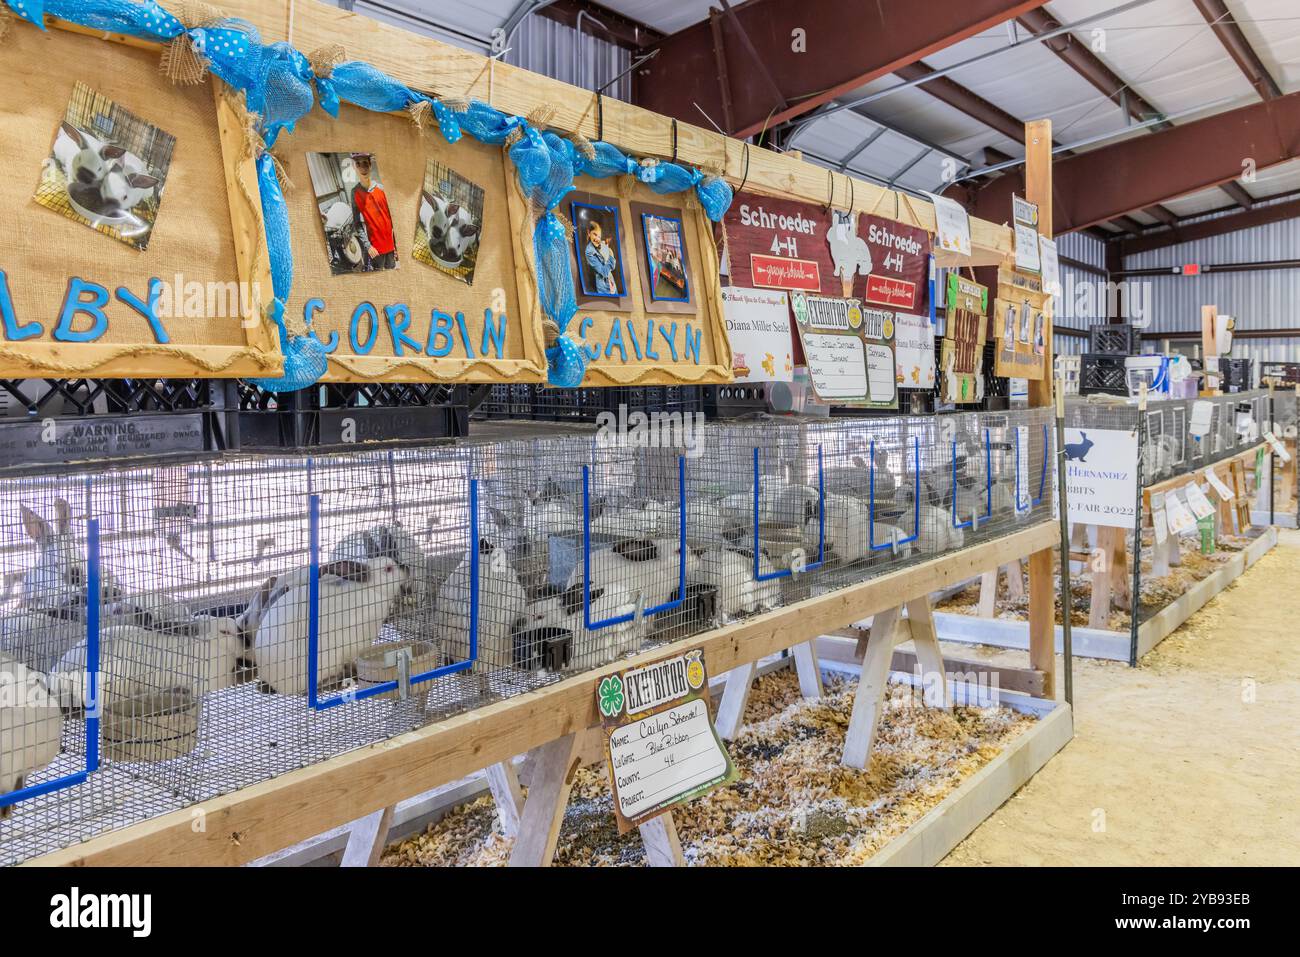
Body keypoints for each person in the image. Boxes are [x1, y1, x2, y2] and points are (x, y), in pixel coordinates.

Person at [349, 152, 397, 271]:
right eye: (358, 164)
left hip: (390, 246)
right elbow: (357, 223)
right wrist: (368, 246)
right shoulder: (354, 193)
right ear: (354, 167)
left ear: (370, 165)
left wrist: (396, 244)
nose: (362, 167)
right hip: (375, 249)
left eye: (365, 163)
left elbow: (394, 219)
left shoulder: (382, 189)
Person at [584, 219, 619, 295]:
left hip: (611, 283)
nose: (597, 239)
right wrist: (611, 256)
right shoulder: (590, 251)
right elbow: (604, 272)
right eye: (594, 234)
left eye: (599, 236)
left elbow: (612, 267)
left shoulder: (600, 246)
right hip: (603, 287)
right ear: (588, 233)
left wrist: (606, 251)